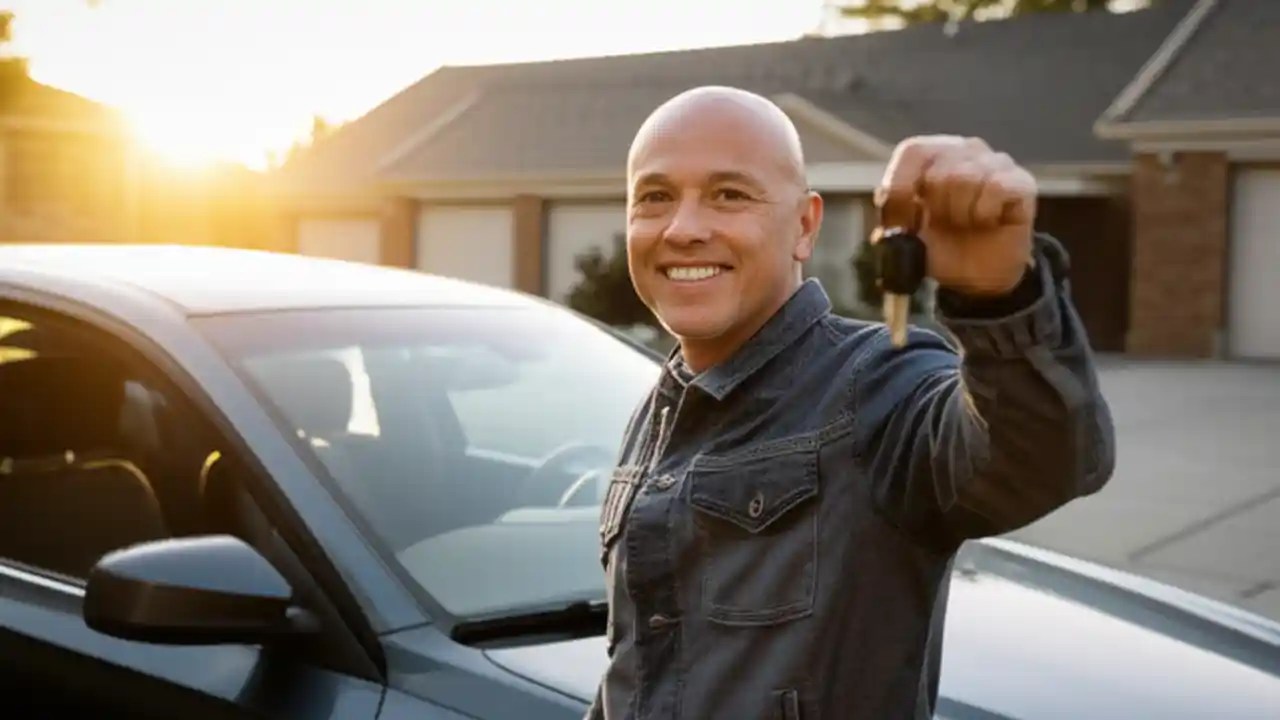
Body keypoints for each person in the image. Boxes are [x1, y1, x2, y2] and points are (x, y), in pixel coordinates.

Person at [586, 85, 1115, 720]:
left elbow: (1042, 457)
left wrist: (1000, 299)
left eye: (730, 194)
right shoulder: (657, 412)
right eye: (655, 197)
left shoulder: (877, 384)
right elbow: (638, 673)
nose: (684, 228)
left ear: (805, 226)